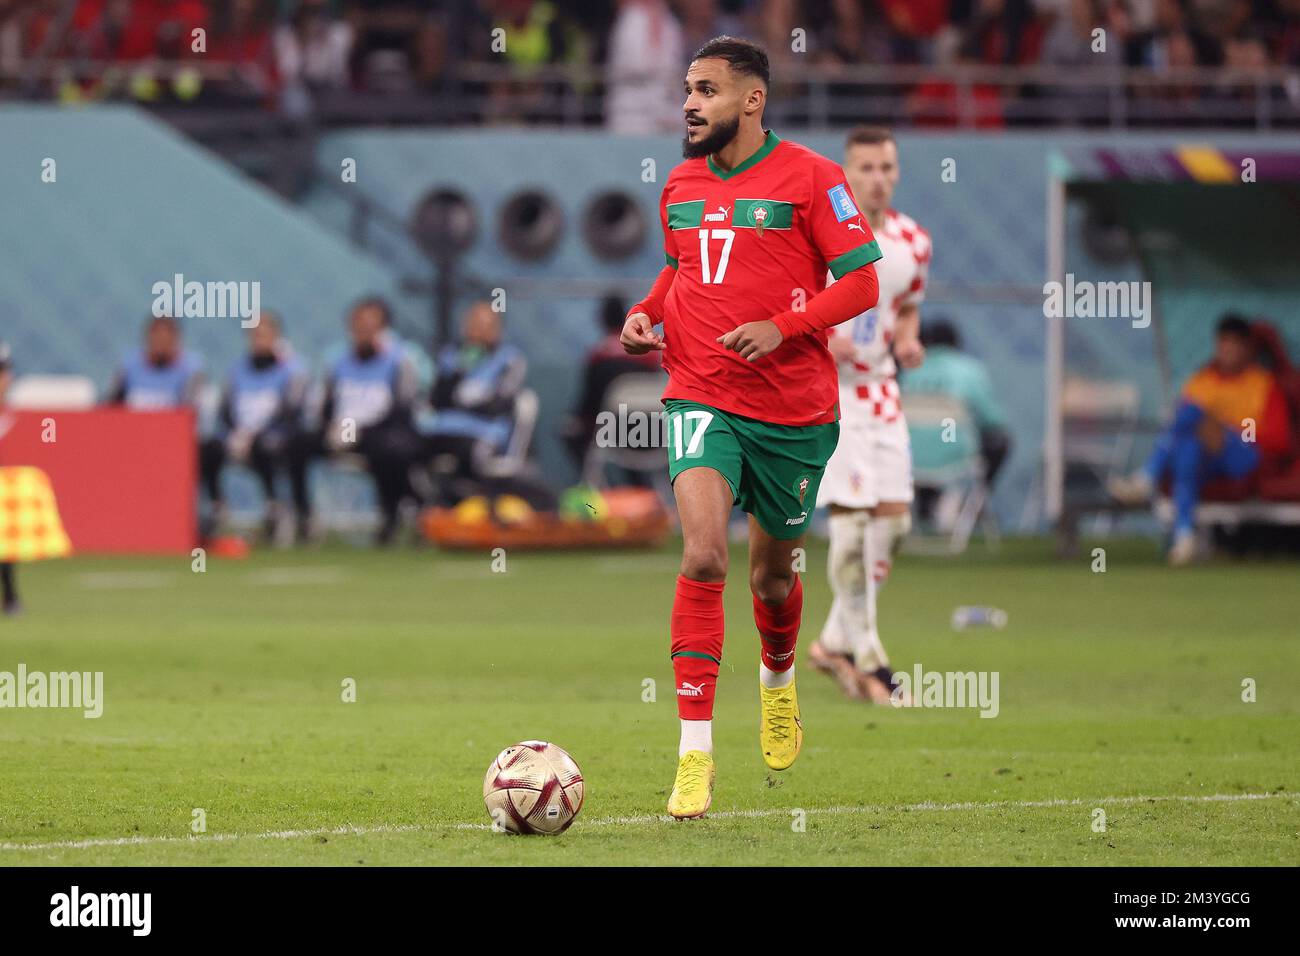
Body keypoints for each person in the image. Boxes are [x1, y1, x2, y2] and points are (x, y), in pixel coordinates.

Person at [621, 36, 881, 818]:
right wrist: (646, 312)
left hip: (795, 412)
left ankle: (777, 682)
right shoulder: (678, 183)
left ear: (751, 99)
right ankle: (694, 756)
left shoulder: (813, 178)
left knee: (772, 577)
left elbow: (863, 279)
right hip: (700, 392)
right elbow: (681, 268)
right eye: (687, 91)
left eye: (705, 90)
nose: (690, 104)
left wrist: (786, 324)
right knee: (703, 557)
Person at [808, 125, 931, 706]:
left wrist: (908, 341)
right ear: (846, 172)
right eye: (865, 168)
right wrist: (820, 336)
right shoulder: (820, 237)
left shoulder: (913, 243)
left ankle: (833, 640)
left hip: (883, 395)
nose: (877, 179)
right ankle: (871, 657)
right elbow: (790, 304)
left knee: (895, 526)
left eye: (886, 168)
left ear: (896, 172)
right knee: (852, 529)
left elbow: (907, 308)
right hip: (832, 396)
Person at [1109, 314, 1292, 565]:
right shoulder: (1202, 381)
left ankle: (1147, 477)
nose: (1227, 350)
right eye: (1223, 343)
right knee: (1188, 450)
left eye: (1235, 344)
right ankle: (1185, 536)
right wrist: (1210, 431)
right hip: (1209, 457)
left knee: (1194, 415)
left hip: (1245, 454)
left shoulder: (1262, 384)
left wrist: (1228, 432)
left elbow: (1280, 440)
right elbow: (1180, 427)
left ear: (1247, 348)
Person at [294, 297, 423, 545]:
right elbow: (325, 406)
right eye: (357, 325)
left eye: (369, 325)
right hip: (341, 431)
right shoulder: (339, 363)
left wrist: (357, 429)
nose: (362, 331)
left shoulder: (400, 361)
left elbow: (402, 409)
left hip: (378, 432)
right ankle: (303, 516)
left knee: (389, 450)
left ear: (383, 327)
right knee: (297, 443)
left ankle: (391, 517)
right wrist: (332, 426)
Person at [199, 312, 309, 540]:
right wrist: (236, 433)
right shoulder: (238, 370)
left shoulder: (292, 370)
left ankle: (274, 507)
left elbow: (291, 411)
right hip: (239, 435)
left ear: (276, 337)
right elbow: (226, 410)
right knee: (207, 448)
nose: (258, 341)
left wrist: (254, 434)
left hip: (275, 436)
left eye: (263, 335)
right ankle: (216, 506)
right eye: (253, 336)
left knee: (265, 446)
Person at [903, 317, 1012, 526]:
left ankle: (928, 504)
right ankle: (966, 504)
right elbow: (992, 419)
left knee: (926, 440)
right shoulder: (969, 370)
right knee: (999, 441)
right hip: (954, 454)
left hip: (911, 456)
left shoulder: (908, 371)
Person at [423, 301, 528, 504]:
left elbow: (499, 405)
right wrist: (460, 370)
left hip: (484, 434)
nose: (476, 331)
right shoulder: (451, 357)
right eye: (472, 325)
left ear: (496, 330)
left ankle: (479, 509)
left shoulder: (509, 360)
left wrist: (463, 403)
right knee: (408, 450)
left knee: (471, 462)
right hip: (443, 430)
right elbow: (438, 399)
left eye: (484, 326)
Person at [561, 293, 664, 475]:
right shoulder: (650, 355)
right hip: (654, 436)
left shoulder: (599, 356)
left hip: (611, 435)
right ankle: (637, 489)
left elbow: (589, 405)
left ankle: (592, 490)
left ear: (603, 321)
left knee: (572, 431)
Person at [106, 315, 203, 409]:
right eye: (156, 336)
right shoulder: (128, 368)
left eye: (166, 338)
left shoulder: (189, 370)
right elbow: (111, 405)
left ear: (175, 340)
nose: (160, 343)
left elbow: (190, 410)